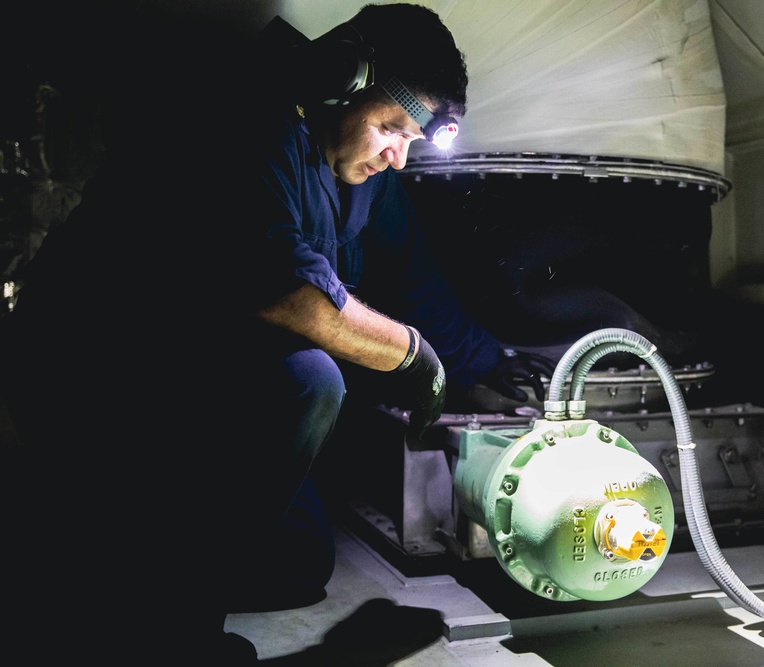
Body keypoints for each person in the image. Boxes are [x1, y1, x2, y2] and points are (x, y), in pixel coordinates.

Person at [0, 3, 552, 664]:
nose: (397, 156)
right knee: (306, 378)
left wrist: (494, 366)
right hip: (97, 374)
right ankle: (167, 629)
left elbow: (418, 283)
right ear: (340, 78)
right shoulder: (241, 117)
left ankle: (123, 559)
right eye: (389, 127)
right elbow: (289, 295)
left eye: (410, 137)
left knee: (297, 565)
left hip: (198, 383)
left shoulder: (361, 176)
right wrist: (413, 357)